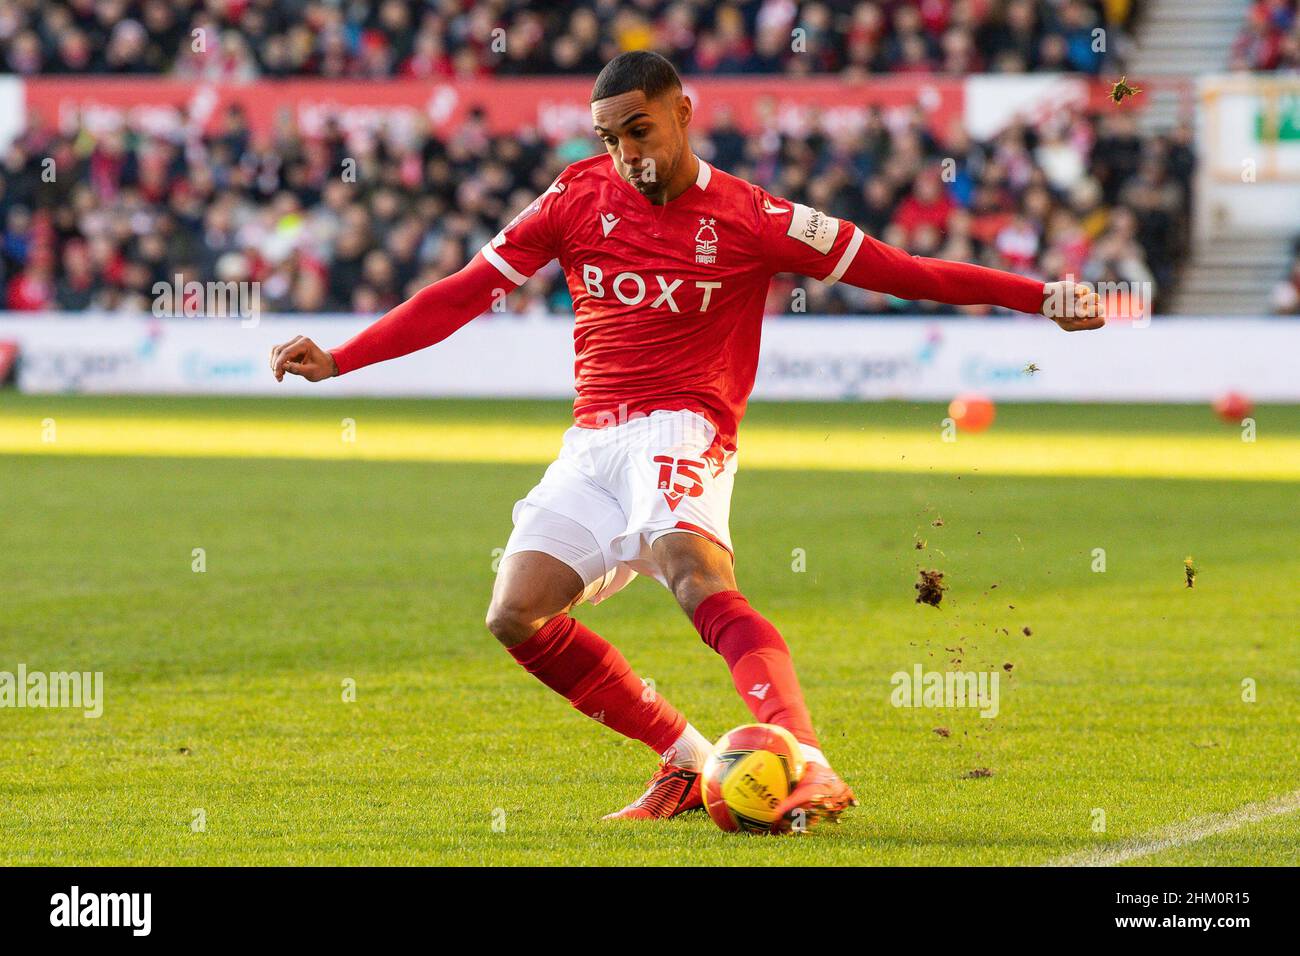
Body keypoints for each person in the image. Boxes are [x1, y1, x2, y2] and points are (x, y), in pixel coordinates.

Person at [270, 51, 1104, 830]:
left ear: (683, 114)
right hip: (593, 439)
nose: (627, 152)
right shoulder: (573, 197)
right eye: (609, 136)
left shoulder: (755, 218)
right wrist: (344, 355)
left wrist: (1039, 298)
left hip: (686, 426)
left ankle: (806, 759)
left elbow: (902, 269)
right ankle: (685, 761)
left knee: (693, 573)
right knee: (515, 613)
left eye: (640, 130)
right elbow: (462, 292)